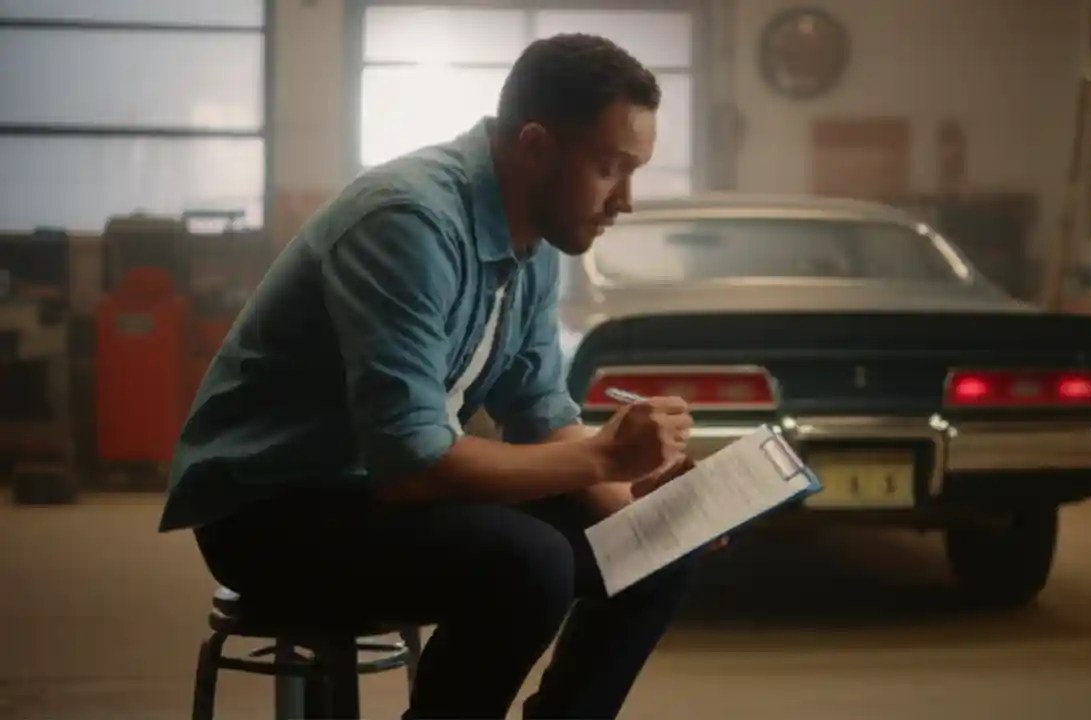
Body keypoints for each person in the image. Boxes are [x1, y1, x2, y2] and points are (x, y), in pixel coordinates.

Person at [159, 33, 713, 719]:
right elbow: (413, 468)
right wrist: (603, 454)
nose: (624, 200)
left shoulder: (537, 239)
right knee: (530, 561)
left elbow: (542, 414)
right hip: (272, 512)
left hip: (379, 495)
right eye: (609, 168)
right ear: (536, 146)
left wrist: (648, 512)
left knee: (656, 554)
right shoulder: (408, 222)